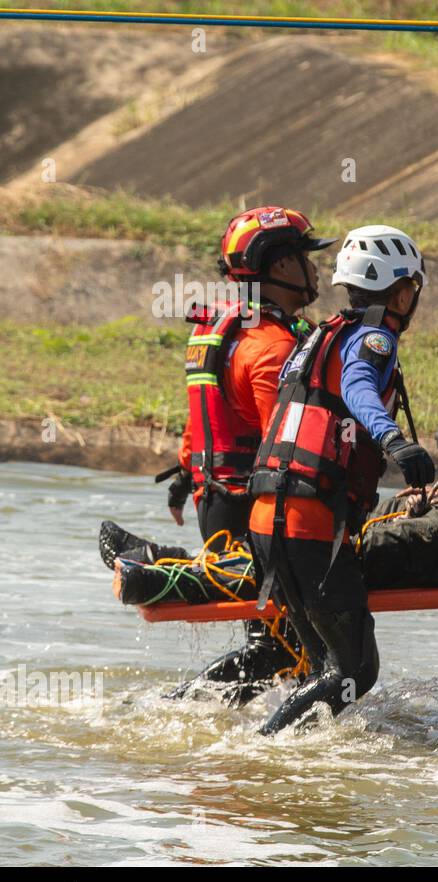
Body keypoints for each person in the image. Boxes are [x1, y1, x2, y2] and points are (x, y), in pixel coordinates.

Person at [246, 225, 437, 735]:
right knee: (355, 670)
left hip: (268, 518)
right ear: (400, 291)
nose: (413, 300)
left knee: (321, 667)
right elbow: (357, 388)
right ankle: (263, 749)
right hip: (308, 522)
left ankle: (286, 762)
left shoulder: (317, 337)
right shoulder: (373, 339)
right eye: (413, 290)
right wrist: (395, 442)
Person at [160, 205, 335, 704]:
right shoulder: (274, 347)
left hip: (213, 498)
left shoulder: (218, 329)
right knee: (285, 647)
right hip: (257, 509)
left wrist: (182, 478)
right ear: (280, 267)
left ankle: (260, 740)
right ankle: (180, 710)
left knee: (280, 642)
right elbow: (284, 443)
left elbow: (203, 421)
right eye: (306, 257)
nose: (316, 269)